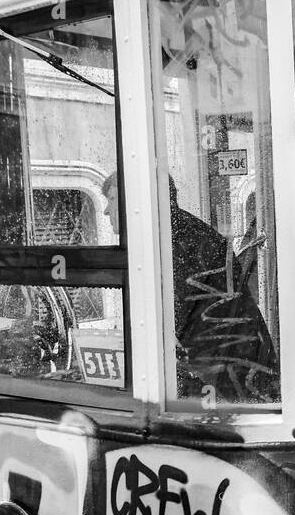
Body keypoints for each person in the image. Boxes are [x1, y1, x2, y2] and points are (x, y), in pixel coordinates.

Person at [101, 170, 277, 401]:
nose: (105, 211)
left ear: (136, 199)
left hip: (226, 375)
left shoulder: (176, 241)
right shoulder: (176, 232)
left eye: (112, 199)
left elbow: (171, 322)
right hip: (227, 367)